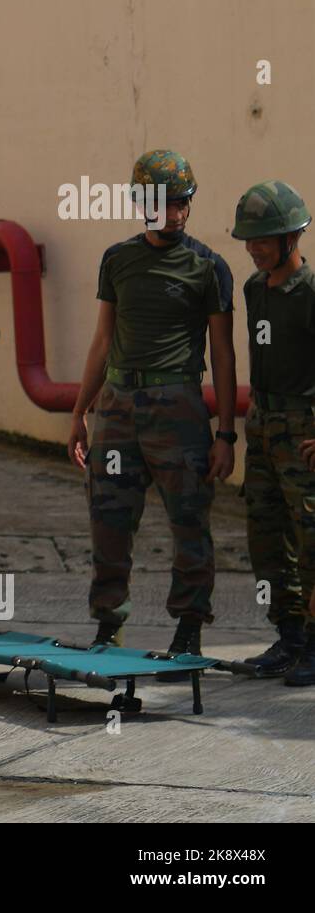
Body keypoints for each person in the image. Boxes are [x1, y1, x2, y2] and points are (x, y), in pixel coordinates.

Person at [67, 150, 236, 671]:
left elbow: (223, 351)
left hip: (178, 409)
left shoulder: (209, 267)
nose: (176, 214)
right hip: (116, 407)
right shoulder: (117, 260)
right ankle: (108, 625)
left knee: (189, 521)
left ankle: (188, 630)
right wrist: (79, 412)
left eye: (183, 203)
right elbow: (102, 341)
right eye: (164, 204)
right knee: (109, 520)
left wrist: (226, 433)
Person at [229, 182, 315, 684]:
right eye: (249, 239)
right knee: (265, 539)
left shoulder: (309, 294)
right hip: (261, 425)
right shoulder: (253, 289)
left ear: (292, 237)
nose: (254, 248)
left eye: (263, 239)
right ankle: (290, 638)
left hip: (304, 430)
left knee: (311, 541)